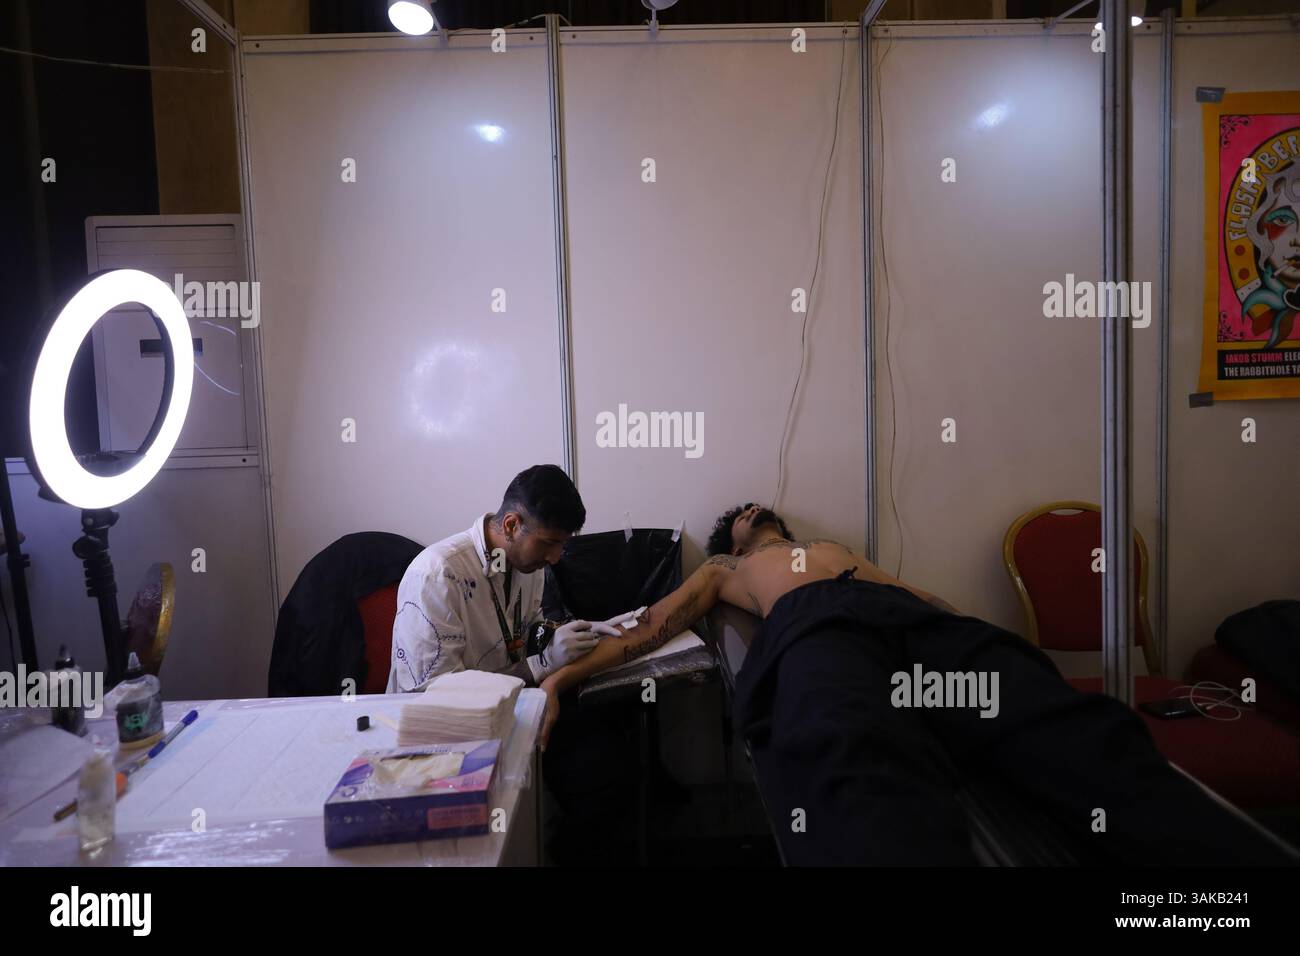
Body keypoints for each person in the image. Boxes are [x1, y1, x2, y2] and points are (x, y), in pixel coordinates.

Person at [537, 502, 1299, 865]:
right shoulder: (728, 570)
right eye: (745, 517)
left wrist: (976, 637)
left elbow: (923, 598)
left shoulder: (833, 546)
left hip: (905, 621)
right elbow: (651, 628)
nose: (756, 516)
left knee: (1065, 723)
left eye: (761, 513)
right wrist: (563, 680)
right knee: (845, 747)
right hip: (814, 628)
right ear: (734, 535)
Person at [387, 464, 618, 693]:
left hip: (506, 710)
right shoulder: (437, 575)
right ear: (511, 525)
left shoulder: (528, 565)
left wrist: (578, 635)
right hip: (440, 725)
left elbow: (526, 632)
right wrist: (540, 664)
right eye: (549, 543)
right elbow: (435, 694)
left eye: (562, 544)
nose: (555, 558)